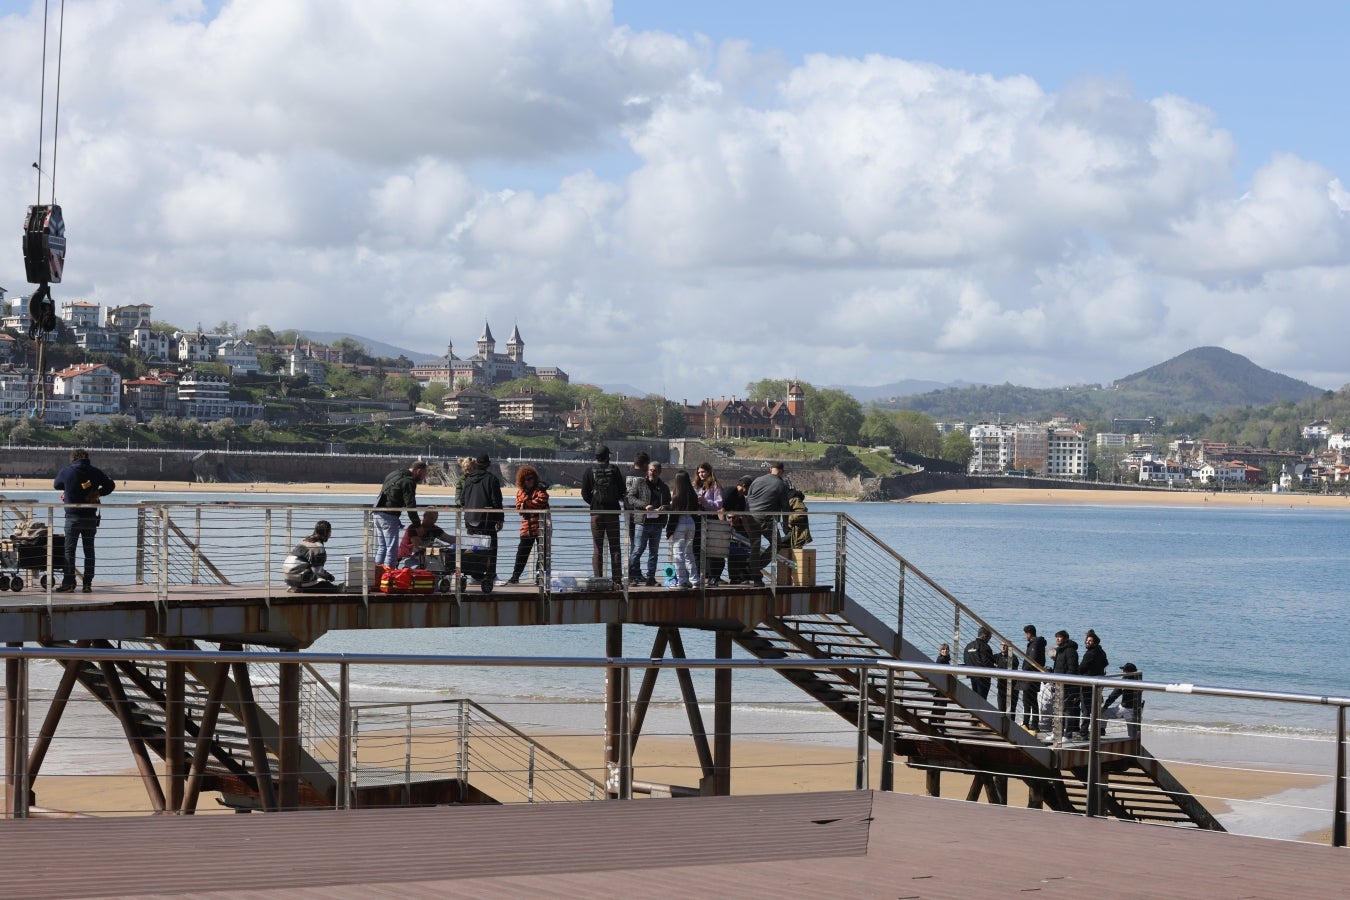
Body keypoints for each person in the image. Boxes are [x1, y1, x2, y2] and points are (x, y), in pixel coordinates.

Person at [52, 448, 116, 593]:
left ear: (73, 458)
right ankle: (87, 584)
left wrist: (68, 489)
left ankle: (69, 583)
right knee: (89, 550)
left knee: (69, 551)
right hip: (90, 517)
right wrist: (99, 492)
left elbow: (56, 485)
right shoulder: (95, 471)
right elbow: (110, 485)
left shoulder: (66, 471)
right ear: (87, 458)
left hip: (72, 517)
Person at [580, 446, 626, 582]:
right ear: (608, 456)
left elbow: (584, 493)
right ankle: (617, 580)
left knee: (597, 548)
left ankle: (598, 579)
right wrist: (613, 499)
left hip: (596, 513)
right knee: (615, 547)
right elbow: (622, 490)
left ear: (596, 457)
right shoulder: (614, 469)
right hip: (612, 512)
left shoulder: (589, 471)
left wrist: (594, 502)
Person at [459, 453, 504, 586]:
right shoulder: (491, 479)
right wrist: (500, 518)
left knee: (475, 548)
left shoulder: (468, 479)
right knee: (491, 547)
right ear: (488, 464)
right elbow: (496, 500)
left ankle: (475, 575)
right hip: (486, 519)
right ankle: (491, 575)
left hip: (470, 519)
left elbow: (462, 500)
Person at [374, 460, 427, 568]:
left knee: (382, 547)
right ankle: (389, 578)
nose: (423, 477)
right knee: (391, 549)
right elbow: (410, 505)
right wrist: (417, 525)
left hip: (377, 513)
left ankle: (376, 576)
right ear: (419, 471)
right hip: (389, 516)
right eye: (424, 474)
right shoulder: (409, 482)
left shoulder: (394, 474)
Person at [745, 461, 790, 584]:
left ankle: (754, 574)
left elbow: (748, 499)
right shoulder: (781, 484)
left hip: (750, 517)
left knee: (755, 547)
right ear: (781, 471)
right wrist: (786, 527)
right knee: (777, 544)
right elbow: (785, 507)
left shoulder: (757, 480)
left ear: (771, 469)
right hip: (766, 519)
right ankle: (754, 569)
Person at [626, 461, 670, 586]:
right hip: (642, 522)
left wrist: (665, 507)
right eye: (651, 470)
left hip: (657, 524)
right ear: (647, 470)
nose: (652, 472)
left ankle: (651, 578)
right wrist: (645, 506)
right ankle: (632, 576)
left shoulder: (664, 487)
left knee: (654, 552)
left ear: (659, 472)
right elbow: (631, 498)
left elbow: (670, 504)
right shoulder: (640, 482)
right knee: (637, 550)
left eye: (655, 470)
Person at [508, 465, 549, 585]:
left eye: (531, 478)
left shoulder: (540, 489)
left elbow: (542, 501)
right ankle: (515, 576)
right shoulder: (520, 492)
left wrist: (525, 504)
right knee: (522, 553)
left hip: (541, 527)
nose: (529, 481)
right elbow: (519, 509)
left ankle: (539, 577)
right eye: (526, 479)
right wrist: (527, 504)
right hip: (527, 528)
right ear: (522, 481)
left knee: (542, 554)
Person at [665, 470, 701, 588]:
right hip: (691, 523)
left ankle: (682, 581)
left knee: (678, 553)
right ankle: (695, 580)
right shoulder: (693, 495)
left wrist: (668, 531)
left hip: (680, 524)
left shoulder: (676, 496)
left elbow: (674, 516)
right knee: (689, 553)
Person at [282, 520, 339, 592]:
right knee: (330, 587)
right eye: (330, 532)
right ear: (326, 533)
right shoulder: (318, 547)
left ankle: (297, 586)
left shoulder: (305, 540)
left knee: (319, 580)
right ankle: (301, 588)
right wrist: (329, 576)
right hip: (298, 577)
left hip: (288, 577)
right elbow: (317, 571)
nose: (330, 535)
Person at [694, 462, 727, 584]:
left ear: (709, 471)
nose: (701, 474)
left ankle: (713, 576)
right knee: (697, 548)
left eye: (703, 472)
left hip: (711, 518)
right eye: (699, 472)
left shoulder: (715, 486)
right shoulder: (696, 485)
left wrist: (704, 501)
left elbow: (718, 504)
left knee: (712, 549)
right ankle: (698, 575)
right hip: (697, 519)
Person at [1078, 629, 1109, 738]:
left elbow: (1081, 668)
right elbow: (1106, 663)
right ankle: (1096, 731)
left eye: (1090, 641)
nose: (1087, 642)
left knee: (1086, 709)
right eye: (1087, 640)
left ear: (1095, 642)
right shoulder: (1102, 652)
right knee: (1095, 709)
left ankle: (1083, 733)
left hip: (1087, 684)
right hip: (1098, 684)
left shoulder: (1090, 654)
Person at [723, 476, 753, 584]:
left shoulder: (742, 499)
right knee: (729, 552)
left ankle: (741, 576)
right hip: (722, 525)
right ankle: (735, 576)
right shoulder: (730, 491)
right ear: (745, 486)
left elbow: (741, 516)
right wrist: (724, 528)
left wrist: (749, 533)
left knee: (740, 550)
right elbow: (721, 510)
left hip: (735, 527)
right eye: (750, 488)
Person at [1051, 630, 1080, 739]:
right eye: (1056, 637)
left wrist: (1066, 683)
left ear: (1065, 638)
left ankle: (1067, 735)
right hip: (1058, 684)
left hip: (1067, 686)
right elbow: (1057, 668)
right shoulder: (1059, 650)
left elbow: (1072, 669)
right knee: (1058, 709)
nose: (1057, 639)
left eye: (1060, 637)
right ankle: (1057, 732)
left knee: (1067, 710)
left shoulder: (1070, 651)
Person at [1104, 662, 1145, 740]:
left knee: (1103, 713)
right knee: (1132, 731)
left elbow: (1114, 695)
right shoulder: (1139, 680)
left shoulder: (1125, 681)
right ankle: (1134, 741)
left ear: (1128, 672)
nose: (1122, 672)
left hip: (1126, 708)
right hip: (1137, 708)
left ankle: (1101, 731)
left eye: (1124, 671)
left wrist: (1105, 706)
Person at [1021, 625, 1048, 732]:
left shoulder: (1034, 644)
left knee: (1027, 702)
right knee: (1032, 701)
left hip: (1030, 676)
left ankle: (1027, 723)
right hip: (1034, 676)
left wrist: (1025, 670)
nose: (1025, 636)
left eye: (1025, 634)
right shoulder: (1038, 644)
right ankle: (1033, 723)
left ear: (1028, 633)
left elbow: (1032, 660)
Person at [962, 626, 996, 700]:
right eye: (989, 637)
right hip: (983, 677)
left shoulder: (968, 646)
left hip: (972, 675)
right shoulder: (985, 646)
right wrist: (994, 668)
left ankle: (975, 710)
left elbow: (965, 659)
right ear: (985, 636)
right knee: (982, 699)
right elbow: (987, 662)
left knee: (975, 697)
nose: (990, 639)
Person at [625, 451, 651, 546]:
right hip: (642, 512)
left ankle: (632, 560)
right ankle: (635, 559)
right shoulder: (646, 477)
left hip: (628, 510)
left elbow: (622, 492)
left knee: (632, 539)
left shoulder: (626, 475)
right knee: (641, 541)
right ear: (645, 464)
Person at [995, 640, 1020, 715]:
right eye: (1002, 645)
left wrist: (997, 666)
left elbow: (1011, 668)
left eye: (1005, 645)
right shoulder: (997, 656)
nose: (1003, 646)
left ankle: (1011, 725)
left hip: (1012, 687)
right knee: (1001, 709)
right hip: (1001, 687)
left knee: (1011, 710)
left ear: (1009, 647)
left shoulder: (1013, 658)